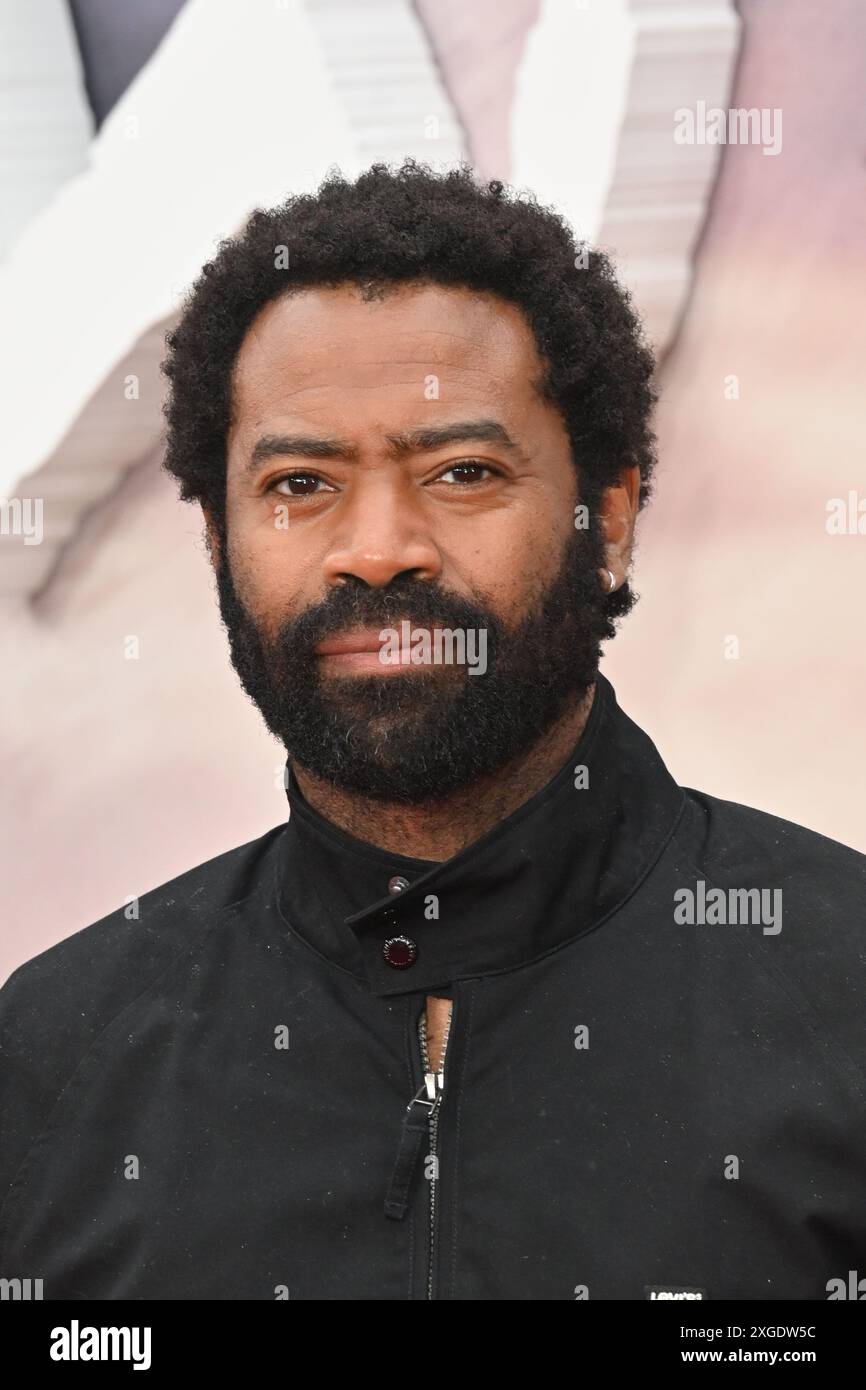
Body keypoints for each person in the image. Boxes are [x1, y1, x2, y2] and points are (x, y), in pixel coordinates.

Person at [1, 160, 864, 1301]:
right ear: (217, 540)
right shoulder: (55, 1055)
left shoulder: (841, 987)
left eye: (461, 471)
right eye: (299, 483)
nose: (377, 549)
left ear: (607, 518)